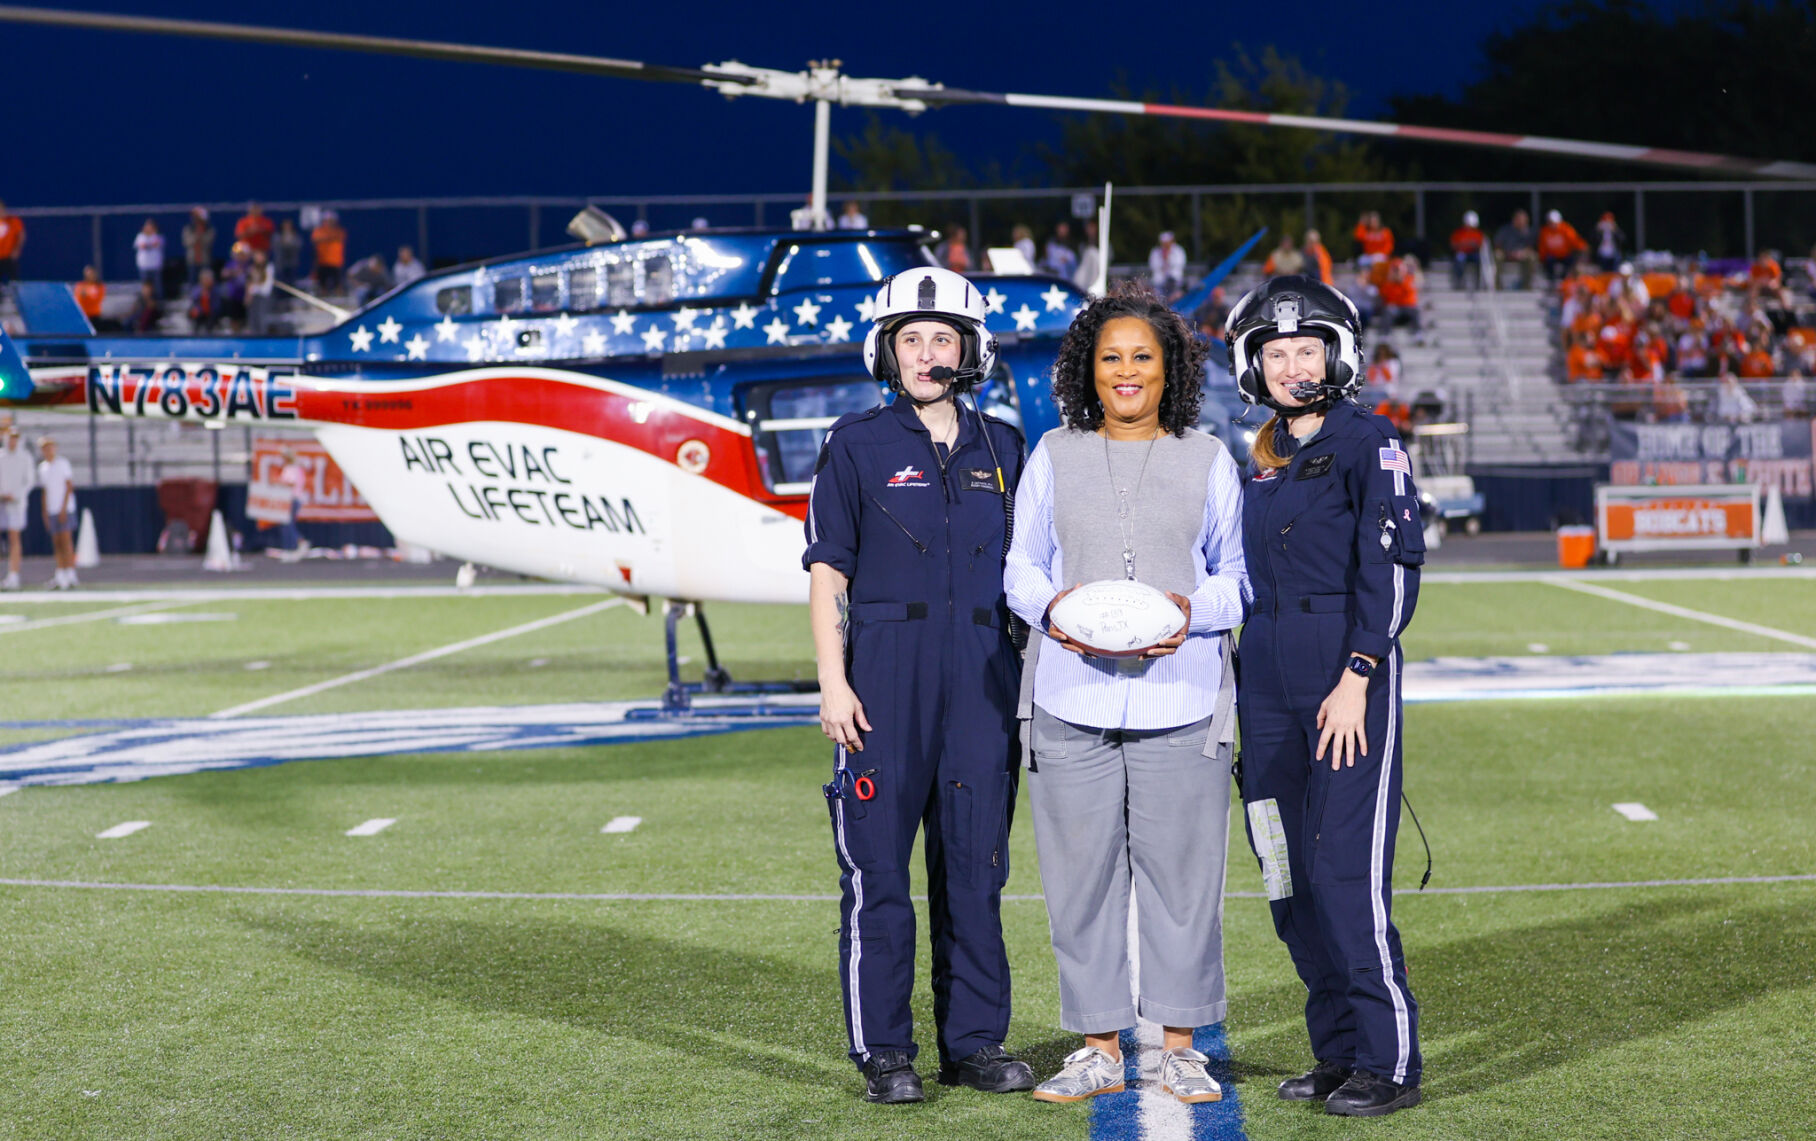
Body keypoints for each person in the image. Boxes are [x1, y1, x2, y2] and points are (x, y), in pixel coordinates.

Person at [1005, 282, 1248, 1107]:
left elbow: (1238, 578)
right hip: (1070, 698)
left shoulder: (1208, 457)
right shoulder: (1053, 452)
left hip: (1182, 699)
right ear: (1089, 369)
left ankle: (1181, 1047)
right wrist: (1054, 612)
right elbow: (1020, 566)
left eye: (1142, 355)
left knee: (1183, 880)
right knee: (1079, 880)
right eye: (1111, 357)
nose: (1126, 370)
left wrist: (1189, 614)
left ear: (1170, 367)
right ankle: (1099, 1046)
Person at [803, 266, 1033, 1105]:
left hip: (983, 677)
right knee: (878, 875)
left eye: (942, 337)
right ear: (886, 350)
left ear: (971, 350)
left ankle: (973, 1042)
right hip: (883, 681)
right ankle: (885, 1051)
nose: (927, 353)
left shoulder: (1006, 447)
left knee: (975, 868)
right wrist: (833, 682)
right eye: (911, 338)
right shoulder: (854, 443)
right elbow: (828, 571)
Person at [1225, 275, 1426, 1117]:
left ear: (1336, 354)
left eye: (1306, 349)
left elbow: (1394, 568)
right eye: (1276, 353)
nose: (1292, 366)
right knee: (1287, 873)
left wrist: (1359, 674)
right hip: (1266, 678)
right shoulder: (1262, 456)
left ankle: (1388, 1059)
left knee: (1344, 873)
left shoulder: (1367, 440)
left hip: (1344, 675)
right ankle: (1337, 1049)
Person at [37, 436, 78, 590]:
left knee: (66, 542)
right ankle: (60, 574)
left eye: (50, 447)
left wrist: (63, 508)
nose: (48, 450)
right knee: (57, 543)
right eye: (45, 448)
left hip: (64, 509)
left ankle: (71, 574)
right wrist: (45, 511)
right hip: (51, 509)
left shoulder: (63, 464)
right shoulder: (42, 468)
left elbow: (69, 486)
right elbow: (45, 492)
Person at [0, 426, 33, 590]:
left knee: (14, 538)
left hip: (16, 504)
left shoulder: (25, 457)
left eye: (15, 438)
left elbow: (29, 481)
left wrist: (16, 496)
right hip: (1, 503)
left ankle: (13, 575)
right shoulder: (1, 456)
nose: (12, 441)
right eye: (10, 437)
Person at [1537, 210, 1585, 283]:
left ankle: (1565, 279)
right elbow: (1542, 247)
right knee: (1548, 261)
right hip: (1552, 256)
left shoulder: (1566, 229)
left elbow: (1574, 240)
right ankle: (1551, 279)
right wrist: (1542, 258)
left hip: (1565, 255)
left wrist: (1583, 247)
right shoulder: (1545, 231)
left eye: (1554, 222)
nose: (1552, 224)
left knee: (1571, 261)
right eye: (1550, 222)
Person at [1494, 209, 1537, 290]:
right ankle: (1498, 285)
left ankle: (1527, 285)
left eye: (1524, 220)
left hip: (1522, 255)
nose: (1522, 222)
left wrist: (1522, 253)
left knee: (1532, 256)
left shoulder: (1529, 232)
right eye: (1519, 220)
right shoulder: (1505, 230)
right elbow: (1497, 245)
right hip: (1506, 254)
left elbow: (1531, 247)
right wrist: (1508, 253)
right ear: (1514, 220)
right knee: (1497, 255)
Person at [277, 448, 309, 554]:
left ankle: (297, 544)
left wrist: (279, 484)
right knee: (287, 524)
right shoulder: (296, 469)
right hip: (293, 499)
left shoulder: (291, 469)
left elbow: (291, 483)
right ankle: (292, 547)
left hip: (291, 499)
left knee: (287, 524)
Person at [311, 210, 347, 294]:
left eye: (331, 221)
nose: (329, 223)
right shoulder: (319, 231)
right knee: (322, 285)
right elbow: (316, 239)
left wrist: (327, 238)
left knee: (337, 284)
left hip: (335, 262)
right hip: (322, 261)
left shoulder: (339, 231)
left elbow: (339, 237)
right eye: (327, 221)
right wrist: (328, 237)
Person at [1449, 211, 1486, 291]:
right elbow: (1453, 245)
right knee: (1459, 260)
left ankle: (1478, 282)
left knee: (1479, 261)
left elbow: (1479, 245)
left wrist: (1467, 245)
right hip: (1462, 253)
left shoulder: (1477, 233)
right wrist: (1465, 245)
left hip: (1473, 254)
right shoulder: (1458, 233)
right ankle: (1459, 282)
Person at [1148, 231, 1186, 301]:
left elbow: (1179, 265)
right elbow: (1153, 266)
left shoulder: (1178, 251)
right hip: (1159, 282)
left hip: (1175, 282)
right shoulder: (1156, 251)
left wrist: (1167, 259)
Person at [181, 207, 214, 286]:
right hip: (192, 260)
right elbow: (186, 242)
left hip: (204, 260)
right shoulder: (188, 229)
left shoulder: (209, 229)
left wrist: (201, 235)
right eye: (194, 217)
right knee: (192, 282)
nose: (195, 219)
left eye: (197, 217)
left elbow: (208, 242)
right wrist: (197, 235)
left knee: (206, 283)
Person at [133, 219, 165, 293]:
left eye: (151, 227)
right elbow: (142, 245)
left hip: (155, 266)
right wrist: (150, 244)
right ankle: (146, 299)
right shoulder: (140, 236)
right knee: (145, 286)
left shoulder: (158, 236)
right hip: (144, 266)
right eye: (147, 227)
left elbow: (157, 244)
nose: (149, 229)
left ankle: (158, 299)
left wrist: (149, 244)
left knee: (157, 286)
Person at [1073, 218, 1103, 294]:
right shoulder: (1082, 245)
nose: (1090, 230)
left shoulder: (1103, 245)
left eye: (1092, 227)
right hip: (1083, 281)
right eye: (1088, 227)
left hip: (1097, 278)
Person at [0, 200, 24, 286]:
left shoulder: (12, 221)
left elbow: (21, 235)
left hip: (8, 257)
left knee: (14, 280)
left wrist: (16, 249)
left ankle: (15, 292)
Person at [272, 218, 303, 286]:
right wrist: (284, 241)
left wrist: (290, 240)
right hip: (281, 262)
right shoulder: (278, 235)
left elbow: (298, 245)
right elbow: (275, 245)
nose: (287, 227)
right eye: (285, 225)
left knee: (291, 281)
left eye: (289, 225)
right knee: (280, 281)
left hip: (292, 262)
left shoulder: (295, 235)